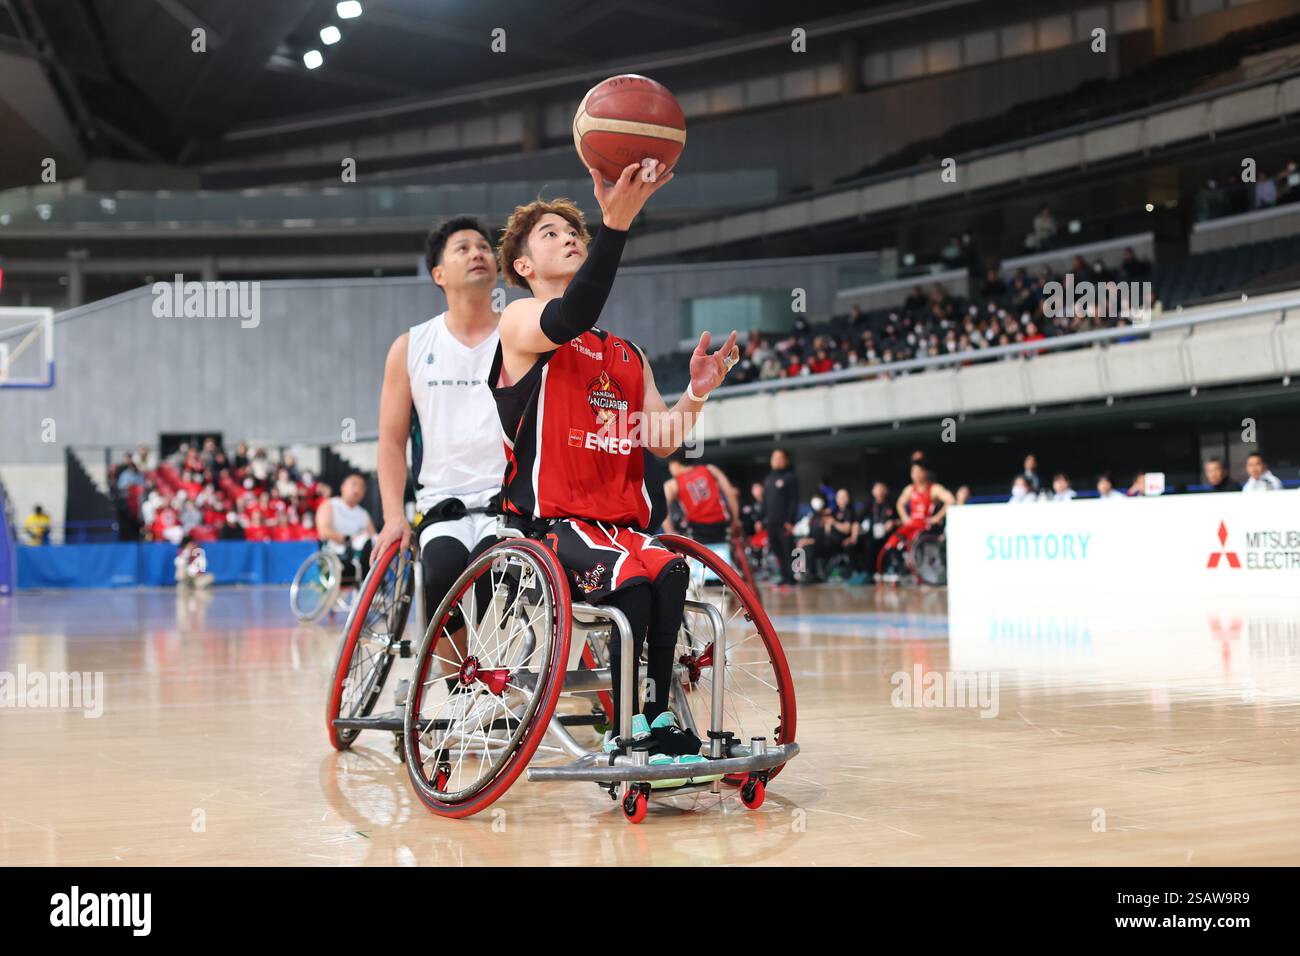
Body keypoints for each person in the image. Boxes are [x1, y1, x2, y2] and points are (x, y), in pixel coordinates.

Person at [491, 161, 739, 776]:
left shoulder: (625, 354)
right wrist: (616, 227)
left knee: (668, 567)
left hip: (620, 525)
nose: (569, 237)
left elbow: (660, 441)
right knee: (629, 574)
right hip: (551, 527)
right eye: (550, 234)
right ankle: (622, 723)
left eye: (575, 232)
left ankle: (656, 717)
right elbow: (568, 317)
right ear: (523, 266)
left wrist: (696, 395)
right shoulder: (520, 322)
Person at [372, 216, 506, 694]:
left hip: (508, 502)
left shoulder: (519, 336)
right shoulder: (410, 346)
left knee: (498, 572)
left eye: (484, 247)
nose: (477, 253)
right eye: (463, 248)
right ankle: (458, 691)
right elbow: (390, 440)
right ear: (438, 274)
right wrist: (393, 517)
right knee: (444, 575)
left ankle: (501, 683)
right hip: (443, 501)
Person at [662, 455, 741, 544]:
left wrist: (671, 533)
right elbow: (731, 493)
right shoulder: (710, 469)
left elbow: (663, 509)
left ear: (675, 464)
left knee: (698, 556)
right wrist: (735, 520)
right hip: (721, 525)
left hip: (697, 530)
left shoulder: (672, 484)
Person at [315, 473, 376, 581]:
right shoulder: (330, 505)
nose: (357, 489)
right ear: (343, 487)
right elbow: (323, 531)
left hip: (360, 555)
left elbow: (373, 537)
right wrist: (347, 539)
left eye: (362, 487)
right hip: (336, 554)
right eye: (354, 484)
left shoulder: (363, 514)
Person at [763, 448, 799, 587]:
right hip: (771, 522)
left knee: (787, 550)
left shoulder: (790, 477)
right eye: (774, 458)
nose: (776, 461)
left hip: (785, 523)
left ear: (785, 460)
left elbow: (794, 500)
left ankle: (791, 577)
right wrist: (761, 518)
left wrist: (790, 521)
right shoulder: (769, 479)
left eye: (779, 458)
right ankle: (784, 576)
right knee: (776, 549)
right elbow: (766, 501)